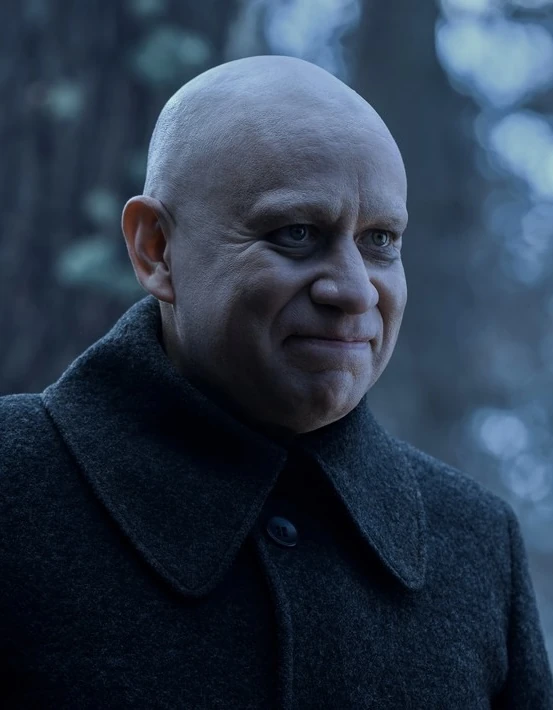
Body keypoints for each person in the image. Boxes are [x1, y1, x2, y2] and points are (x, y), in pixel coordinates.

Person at [0, 55, 551, 710]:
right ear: (156, 249)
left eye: (380, 241)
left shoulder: (475, 542)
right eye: (296, 233)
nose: (354, 291)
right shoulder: (14, 487)